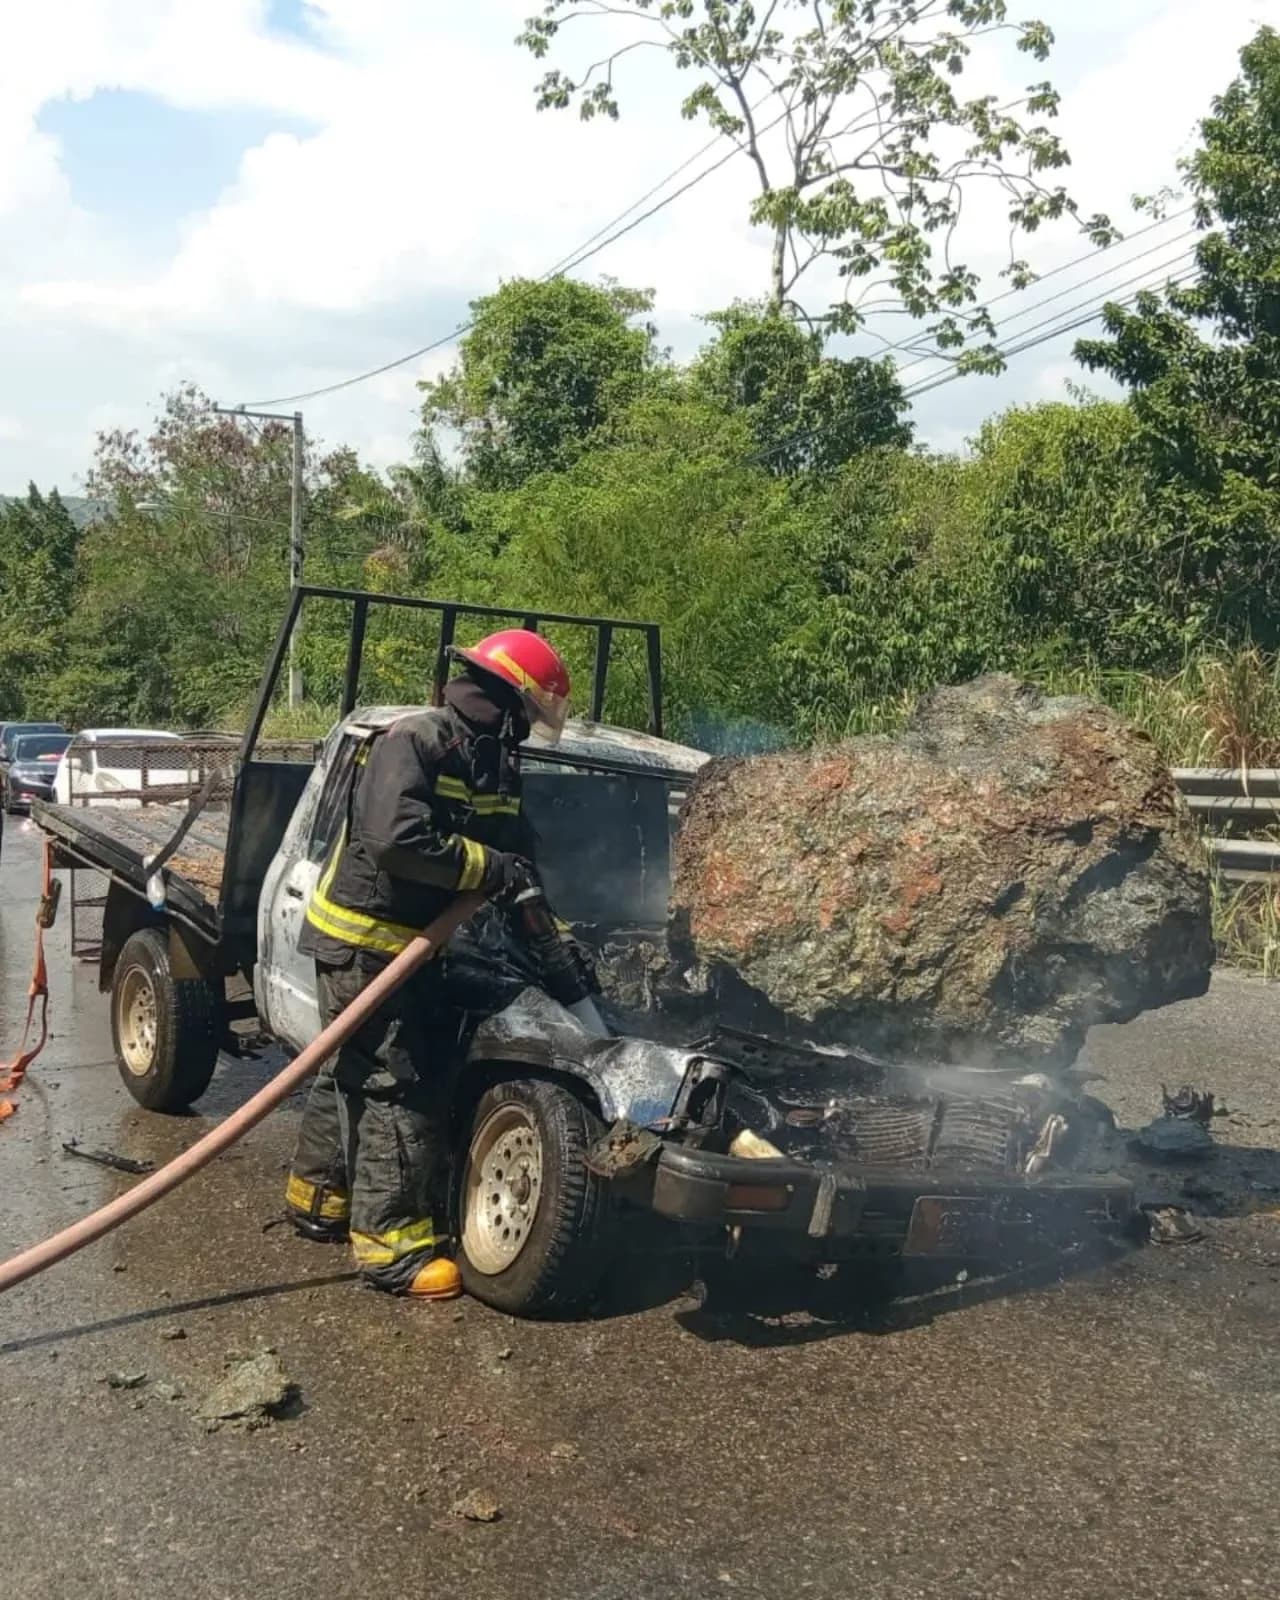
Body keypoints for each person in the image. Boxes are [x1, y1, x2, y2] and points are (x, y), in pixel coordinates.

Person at [284, 629, 573, 1301]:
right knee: (394, 1084)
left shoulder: (492, 758)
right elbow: (397, 841)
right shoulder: (416, 741)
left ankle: (319, 1201)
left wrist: (554, 932)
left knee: (347, 1069)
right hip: (365, 940)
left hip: (405, 943)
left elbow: (515, 851)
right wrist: (488, 868)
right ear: (506, 699)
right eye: (528, 713)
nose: (528, 728)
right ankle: (392, 1248)